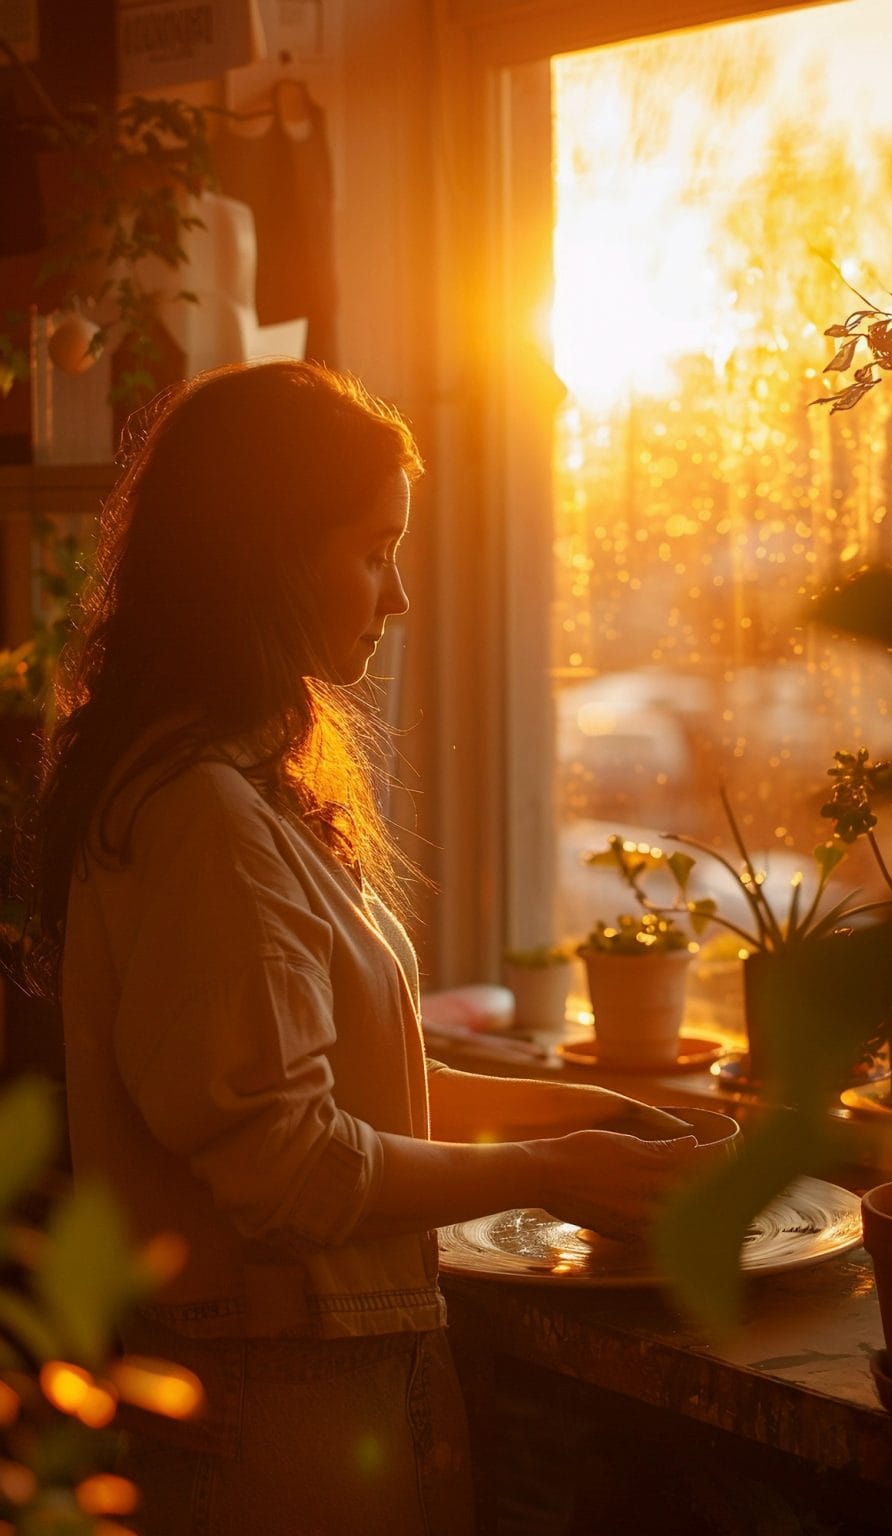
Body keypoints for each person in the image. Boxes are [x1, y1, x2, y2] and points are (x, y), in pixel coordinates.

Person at [31, 360, 701, 1536]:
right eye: (371, 548)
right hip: (271, 1412)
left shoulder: (237, 783)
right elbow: (291, 1173)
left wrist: (589, 1116)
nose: (395, 597)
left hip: (316, 1376)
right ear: (265, 556)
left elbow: (365, 1097)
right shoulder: (203, 819)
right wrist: (554, 1172)